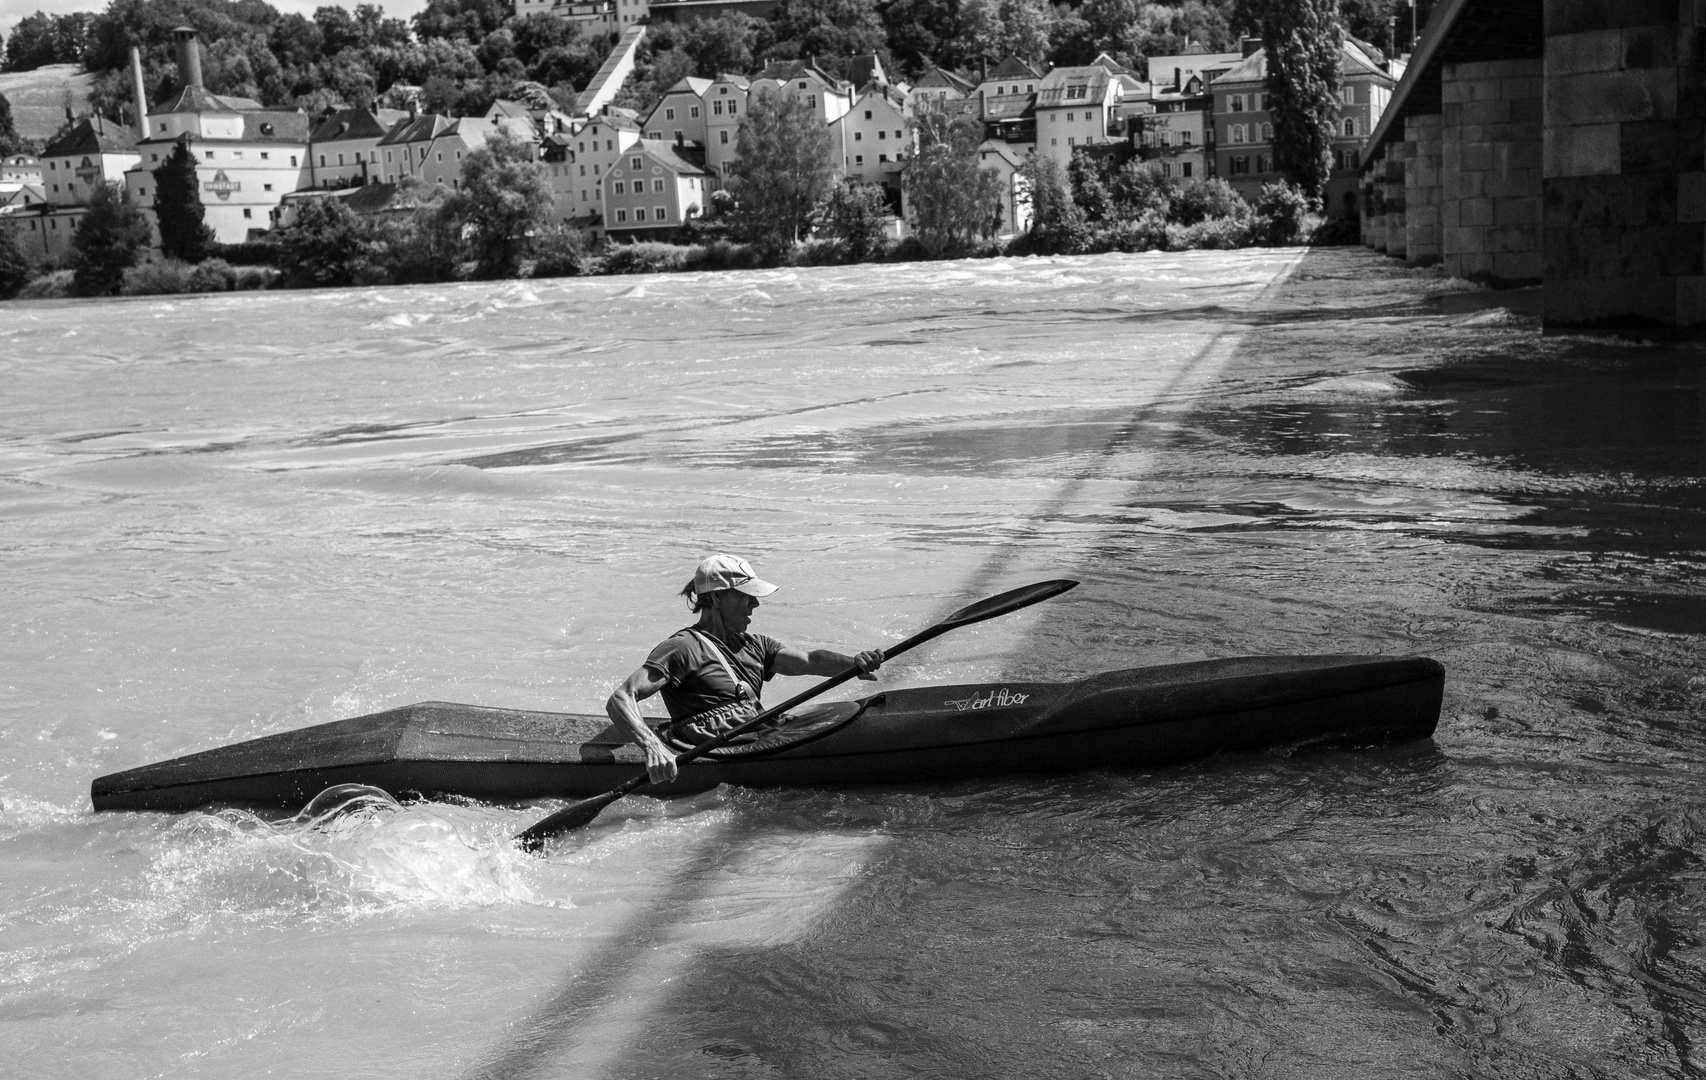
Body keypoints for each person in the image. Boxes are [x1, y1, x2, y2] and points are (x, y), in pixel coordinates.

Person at [607, 554, 885, 785]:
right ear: (716, 598)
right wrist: (652, 746)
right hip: (721, 750)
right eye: (746, 595)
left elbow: (811, 660)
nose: (755, 603)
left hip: (760, 738)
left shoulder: (756, 645)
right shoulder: (682, 647)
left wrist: (853, 664)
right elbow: (621, 698)